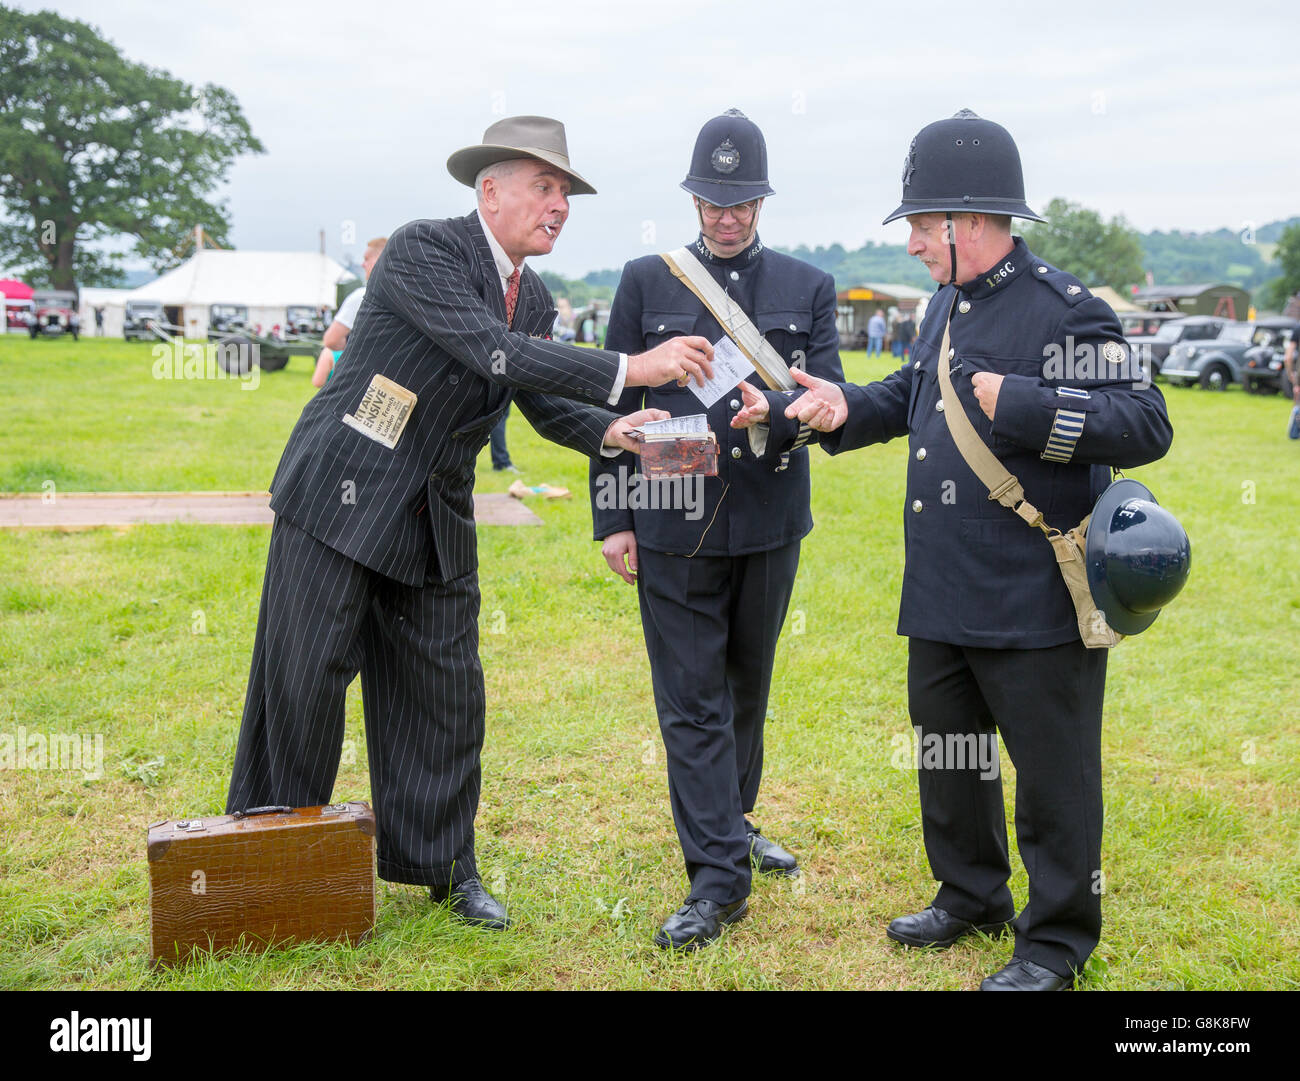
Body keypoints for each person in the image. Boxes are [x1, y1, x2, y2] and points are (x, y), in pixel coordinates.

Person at [226, 115, 715, 931]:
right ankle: (277, 859)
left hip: (436, 513)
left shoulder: (540, 296)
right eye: (544, 187)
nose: (559, 206)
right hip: (343, 492)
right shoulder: (425, 250)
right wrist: (633, 368)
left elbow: (535, 391)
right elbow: (491, 352)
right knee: (304, 680)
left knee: (447, 696)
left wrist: (613, 428)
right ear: (489, 191)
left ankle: (444, 866)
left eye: (566, 193)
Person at [733, 110, 1173, 989]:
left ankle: (1054, 940)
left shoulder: (1065, 309)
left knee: (1053, 772)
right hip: (942, 585)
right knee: (948, 748)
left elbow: (1145, 421)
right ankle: (972, 892)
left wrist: (1025, 405)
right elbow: (906, 397)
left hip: (1033, 591)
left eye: (917, 227)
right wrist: (834, 409)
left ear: (966, 220)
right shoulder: (943, 306)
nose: (909, 247)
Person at [590, 108, 843, 950]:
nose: (726, 216)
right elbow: (614, 405)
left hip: (770, 517)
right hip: (668, 519)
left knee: (746, 687)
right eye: (712, 200)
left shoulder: (808, 287)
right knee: (691, 701)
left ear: (762, 202)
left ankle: (731, 822)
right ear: (692, 200)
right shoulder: (644, 280)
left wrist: (788, 411)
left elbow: (828, 400)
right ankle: (716, 880)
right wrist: (612, 519)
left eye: (740, 202)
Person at [312, 237, 387, 388]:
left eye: (367, 259)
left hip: (361, 380)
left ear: (380, 260)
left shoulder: (363, 296)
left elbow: (331, 340)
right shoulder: (407, 296)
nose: (362, 264)